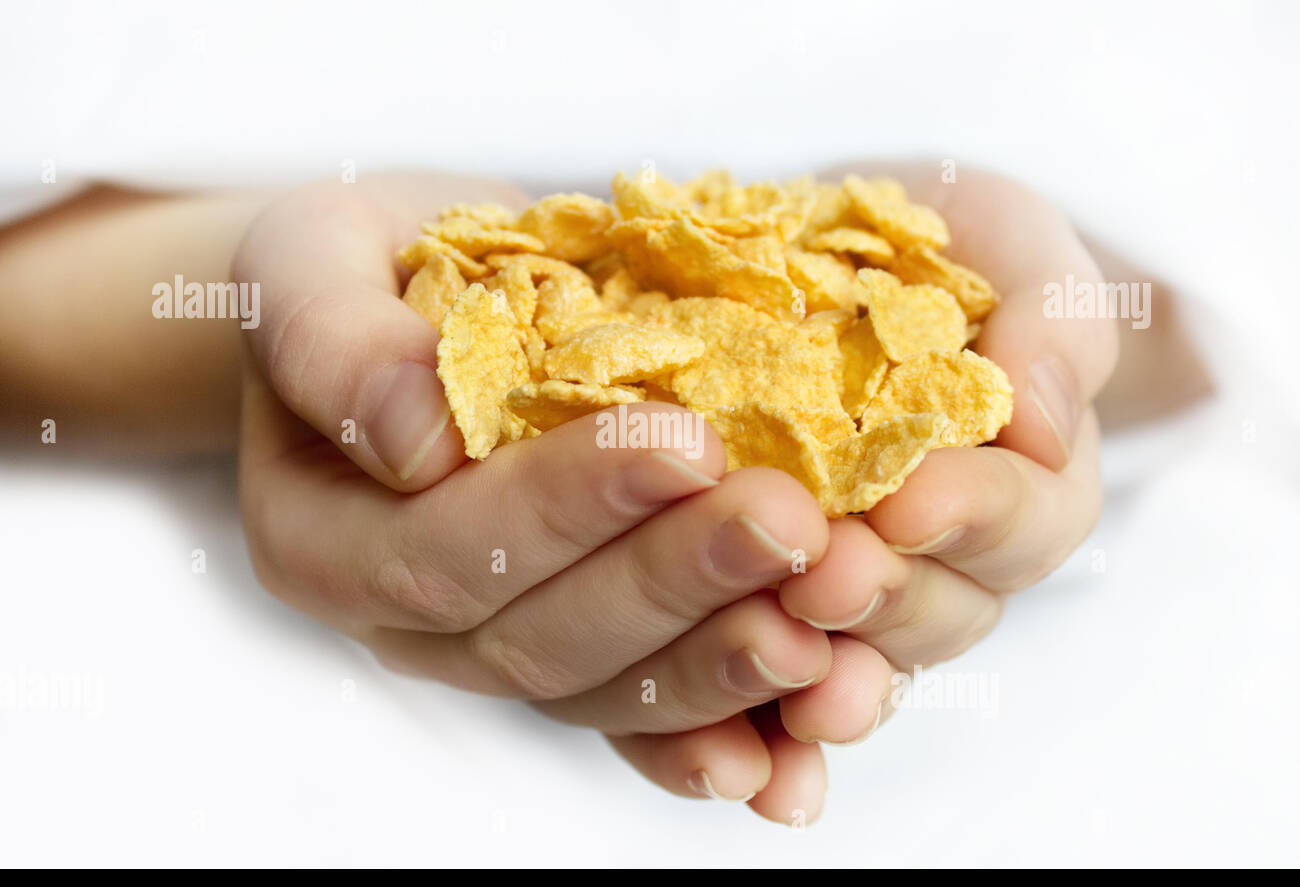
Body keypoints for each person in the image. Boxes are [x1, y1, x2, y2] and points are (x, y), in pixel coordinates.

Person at [0, 164, 1195, 825]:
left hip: (1079, 752)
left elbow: (1229, 292)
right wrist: (235, 323)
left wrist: (1077, 343)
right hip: (180, 729)